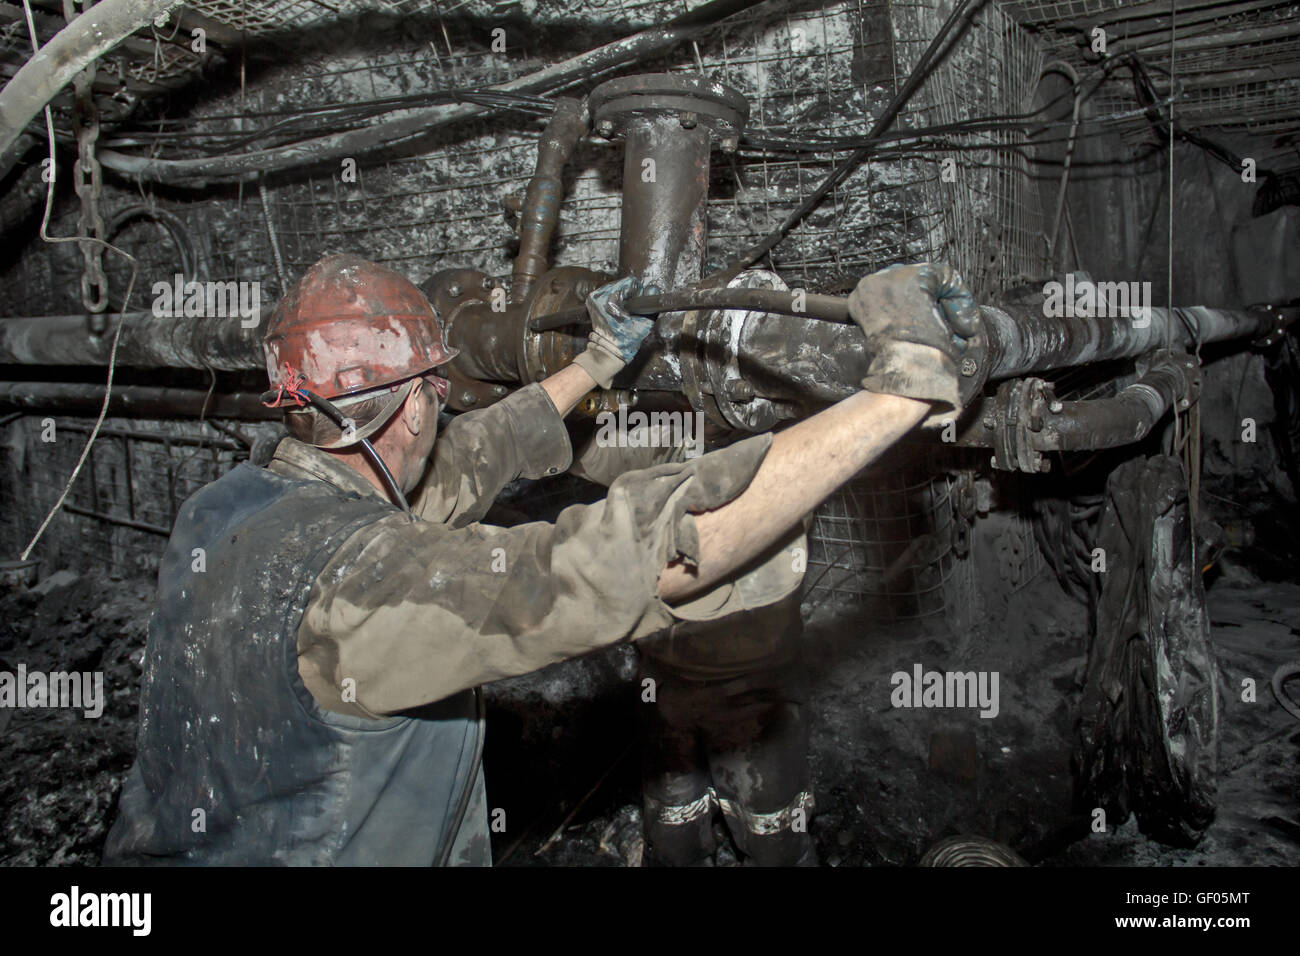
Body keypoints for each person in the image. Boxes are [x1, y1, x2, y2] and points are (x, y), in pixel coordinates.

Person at [103, 254, 979, 865]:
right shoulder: (365, 587)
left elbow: (472, 455)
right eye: (436, 393)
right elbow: (626, 560)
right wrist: (899, 387)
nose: (442, 413)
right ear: (412, 406)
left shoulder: (222, 512)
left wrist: (597, 361)